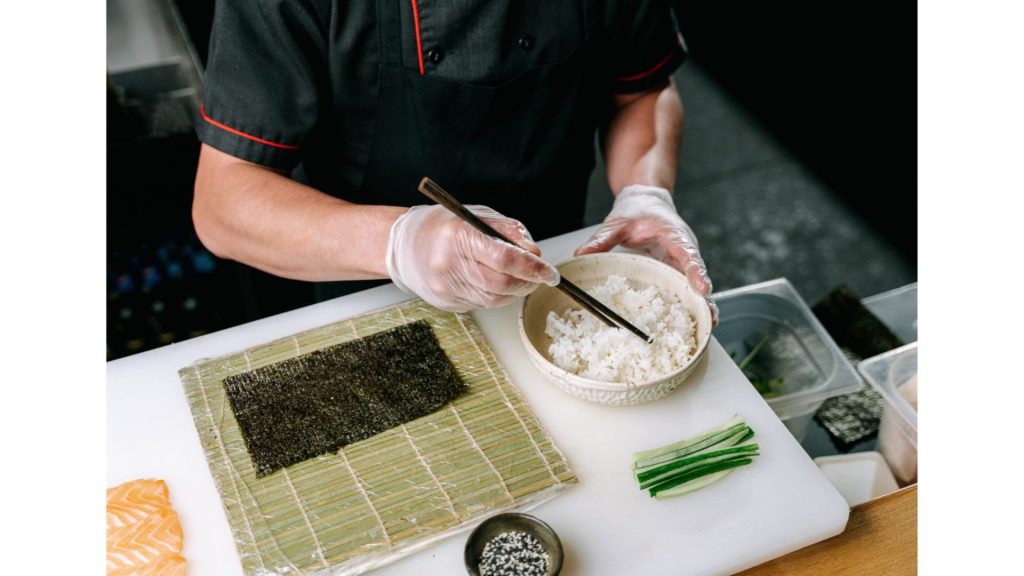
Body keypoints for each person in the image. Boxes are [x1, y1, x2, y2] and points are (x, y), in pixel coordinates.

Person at [192, 0, 717, 321]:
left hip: (555, 270)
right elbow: (223, 203)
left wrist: (644, 192)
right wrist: (402, 242)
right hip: (370, 290)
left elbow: (642, 90)